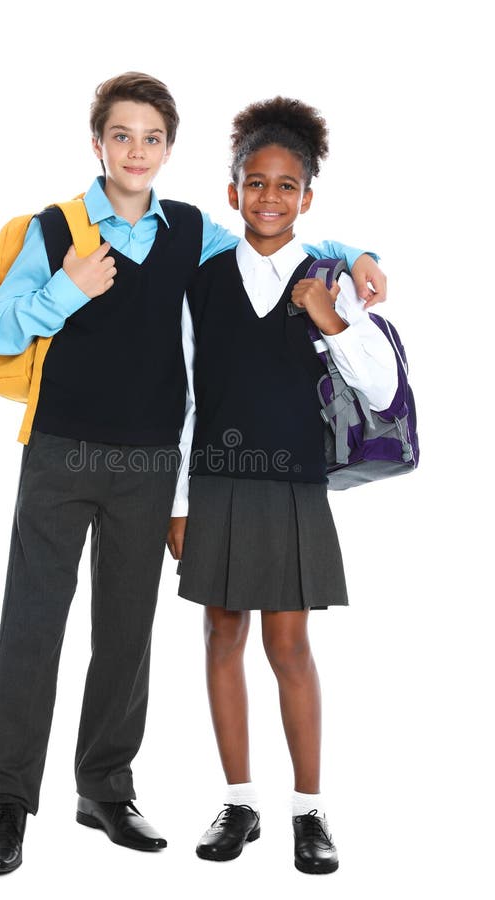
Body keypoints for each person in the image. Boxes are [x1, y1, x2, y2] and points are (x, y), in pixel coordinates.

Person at [0, 72, 387, 874]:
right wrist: (66, 287)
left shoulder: (192, 231)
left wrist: (359, 253)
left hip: (152, 461)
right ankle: (4, 806)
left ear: (169, 150)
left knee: (125, 637)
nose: (136, 151)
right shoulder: (52, 229)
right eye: (122, 136)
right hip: (62, 452)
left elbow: (277, 234)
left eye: (152, 138)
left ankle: (104, 788)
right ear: (98, 144)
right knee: (32, 630)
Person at [168, 96, 399, 874]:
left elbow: (379, 387)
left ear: (308, 197)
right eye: (255, 183)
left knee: (290, 645)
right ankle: (239, 800)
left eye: (286, 186)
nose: (270, 198)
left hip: (293, 482)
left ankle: (309, 809)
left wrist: (330, 318)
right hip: (219, 483)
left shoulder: (328, 278)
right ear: (233, 191)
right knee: (222, 634)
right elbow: (190, 399)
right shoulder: (201, 283)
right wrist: (179, 503)